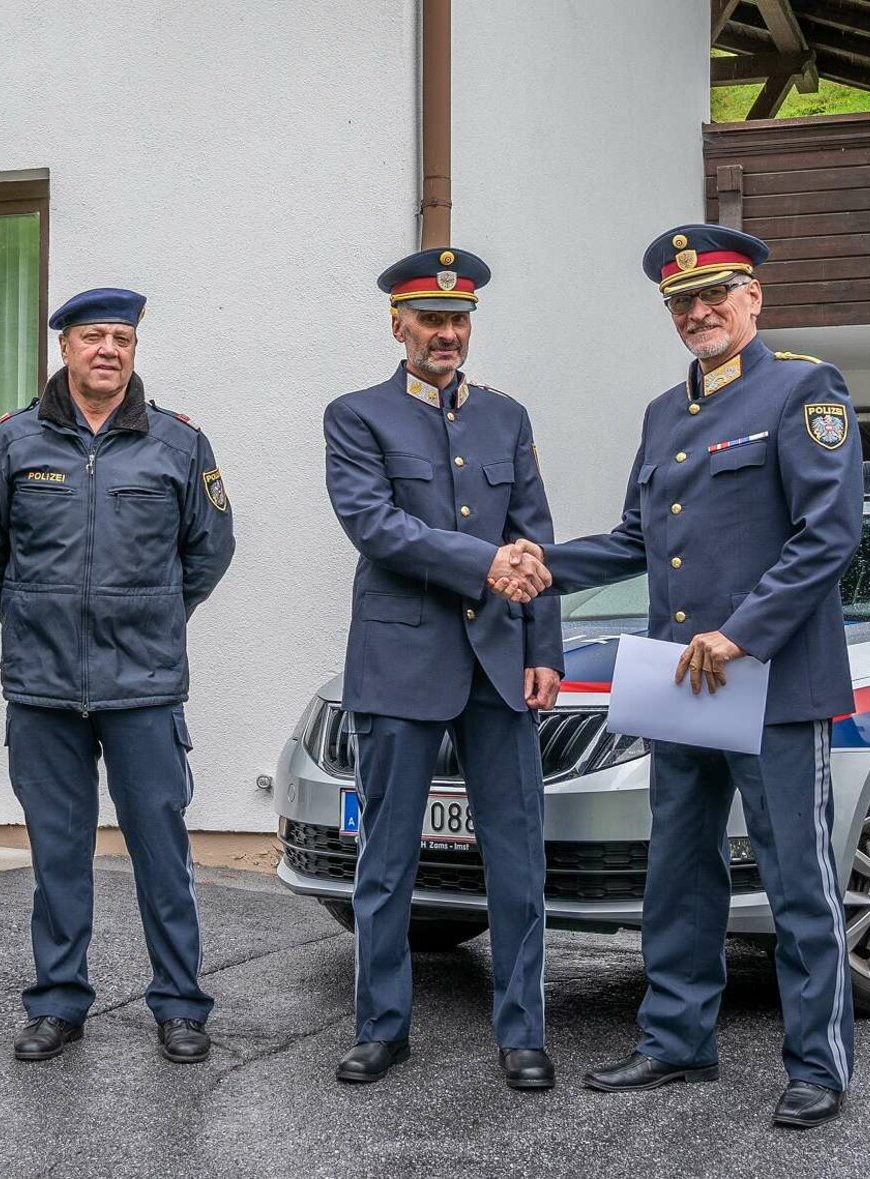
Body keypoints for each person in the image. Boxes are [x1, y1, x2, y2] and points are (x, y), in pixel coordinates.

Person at [511, 224, 862, 1127]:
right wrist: (544, 561)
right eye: (681, 302)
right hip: (679, 678)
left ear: (753, 298)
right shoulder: (665, 413)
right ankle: (675, 1040)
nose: (698, 312)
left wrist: (742, 635)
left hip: (772, 677)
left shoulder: (804, 388)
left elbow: (827, 533)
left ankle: (818, 1063)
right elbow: (636, 540)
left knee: (797, 875)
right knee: (680, 868)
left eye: (714, 295)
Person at [0, 288, 235, 1065]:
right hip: (43, 685)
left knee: (162, 850)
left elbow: (209, 548)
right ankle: (57, 1002)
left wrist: (152, 613)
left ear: (134, 349)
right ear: (66, 348)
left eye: (120, 337)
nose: (107, 349)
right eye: (92, 337)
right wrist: (31, 614)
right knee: (58, 853)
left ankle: (180, 1005)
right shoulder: (13, 441)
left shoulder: (178, 443)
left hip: (144, 683)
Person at [322, 247, 562, 1089]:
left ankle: (523, 1030)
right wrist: (483, 563)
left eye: (459, 320)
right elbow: (375, 526)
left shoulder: (507, 417)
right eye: (431, 319)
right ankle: (382, 1026)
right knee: (386, 859)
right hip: (401, 662)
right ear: (399, 324)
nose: (447, 333)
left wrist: (545, 651)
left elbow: (536, 540)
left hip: (501, 665)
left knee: (517, 857)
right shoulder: (357, 415)